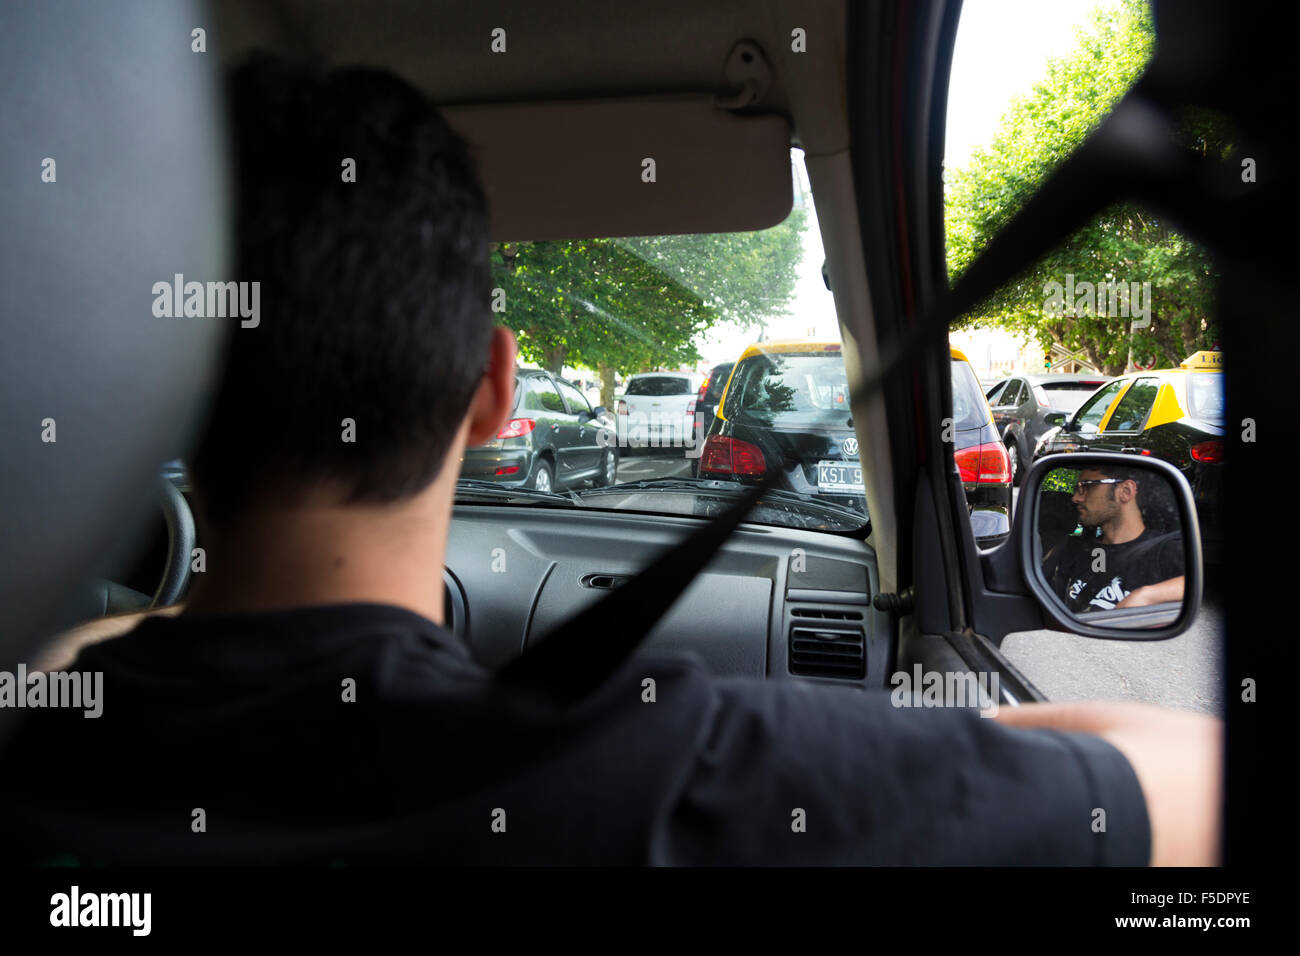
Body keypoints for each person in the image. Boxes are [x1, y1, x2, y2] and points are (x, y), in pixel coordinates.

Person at [0, 55, 1220, 866]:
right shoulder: (683, 781)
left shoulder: (42, 728)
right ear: (491, 390)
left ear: (156, 386)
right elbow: (1190, 781)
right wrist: (916, 737)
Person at [1045, 465, 1186, 612]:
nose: (1075, 498)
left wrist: (1147, 595)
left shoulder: (1165, 550)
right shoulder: (1076, 549)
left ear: (1125, 491)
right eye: (1077, 488)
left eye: (1086, 486)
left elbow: (1197, 585)